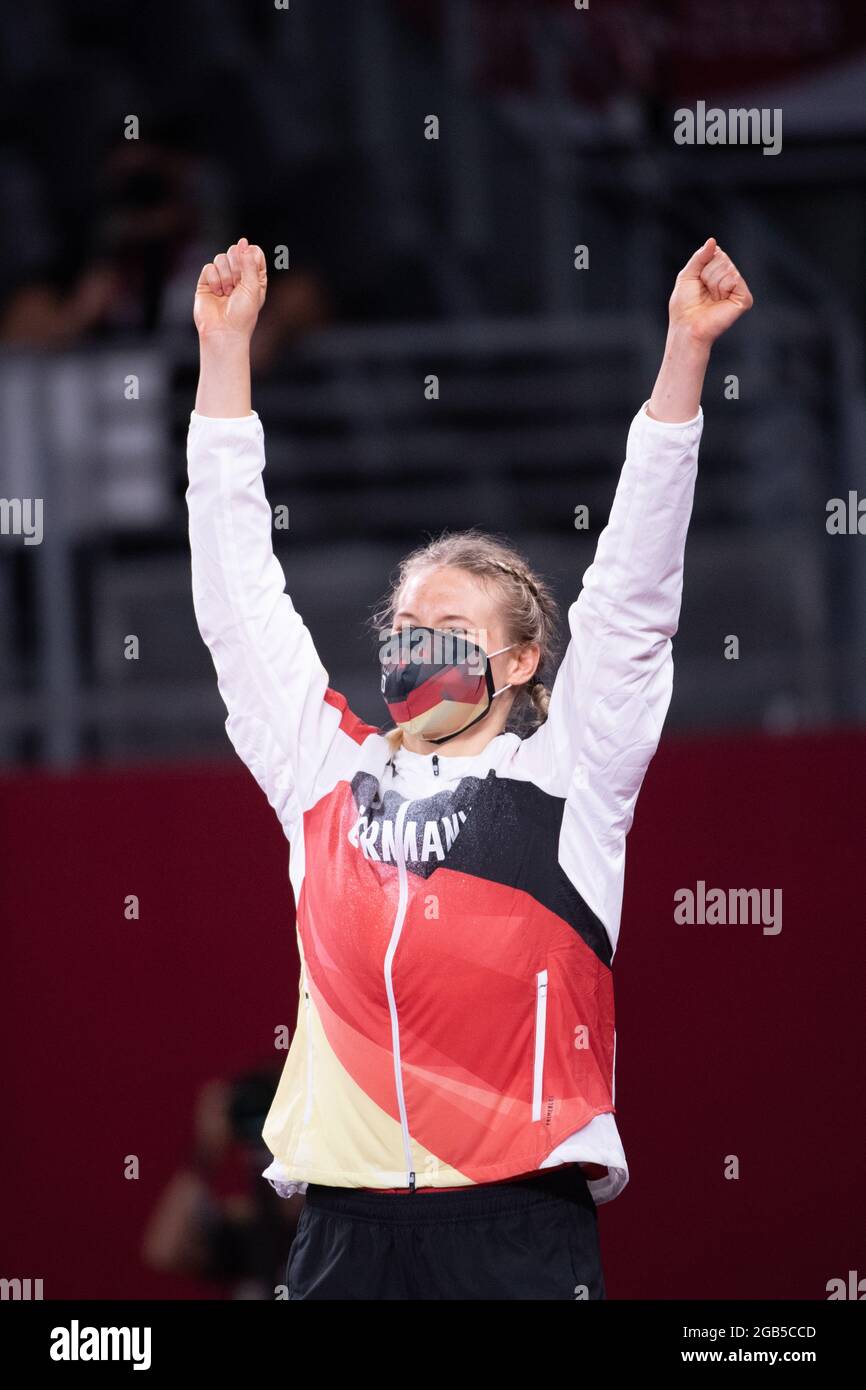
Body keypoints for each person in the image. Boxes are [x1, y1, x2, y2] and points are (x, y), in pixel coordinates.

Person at [186, 234, 753, 1300]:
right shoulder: (322, 777)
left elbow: (631, 602)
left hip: (515, 1230)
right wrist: (223, 359)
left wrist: (681, 360)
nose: (415, 641)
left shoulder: (570, 783)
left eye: (448, 624)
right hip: (340, 1231)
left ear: (522, 658)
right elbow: (236, 601)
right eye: (403, 623)